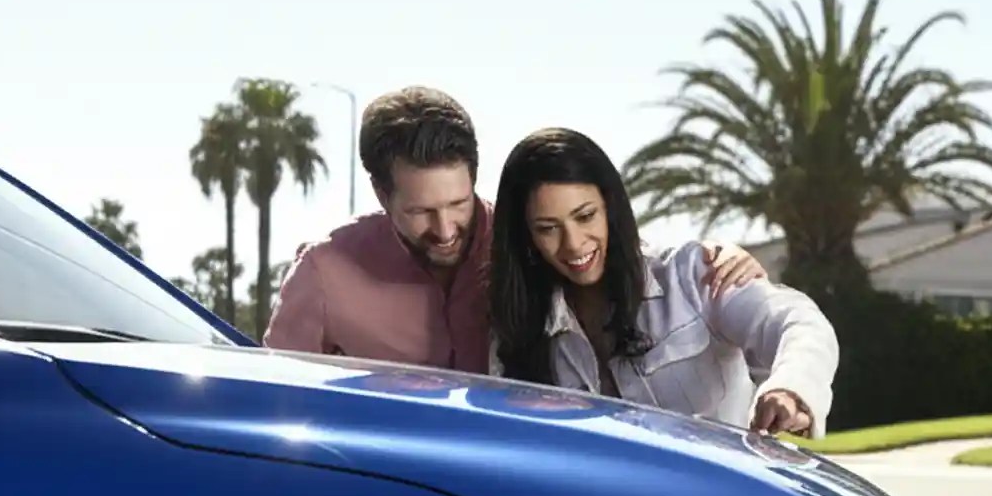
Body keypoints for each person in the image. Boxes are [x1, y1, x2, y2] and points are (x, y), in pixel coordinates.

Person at [262, 86, 768, 374]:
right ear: (380, 194)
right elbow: (276, 403)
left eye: (458, 204)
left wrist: (719, 255)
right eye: (420, 212)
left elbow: (600, 251)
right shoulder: (324, 272)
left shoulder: (525, 243)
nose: (444, 229)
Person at [487, 127, 840, 438]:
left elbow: (797, 322)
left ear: (610, 207)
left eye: (585, 216)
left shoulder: (692, 276)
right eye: (548, 228)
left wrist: (790, 390)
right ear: (526, 237)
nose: (574, 243)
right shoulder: (520, 334)